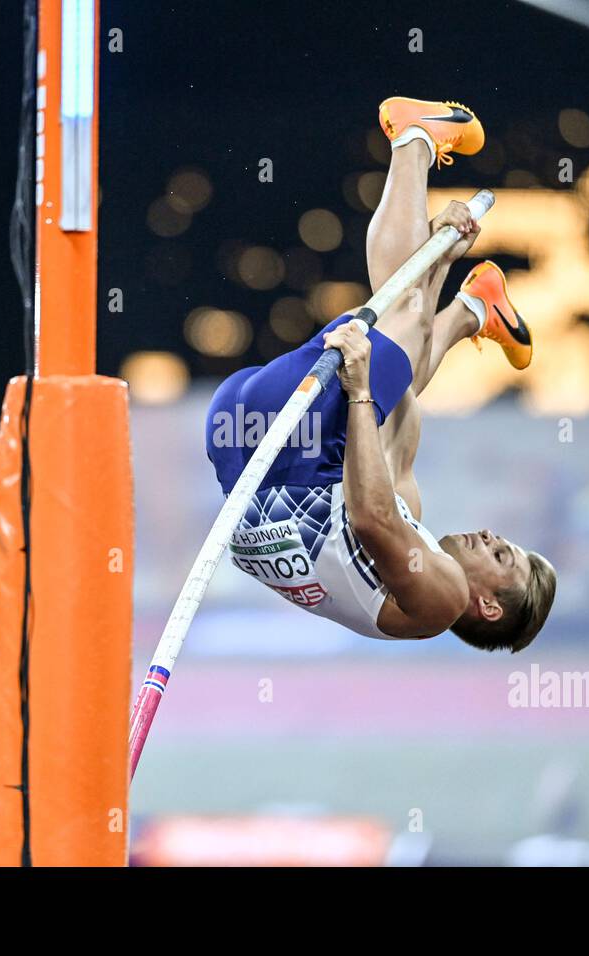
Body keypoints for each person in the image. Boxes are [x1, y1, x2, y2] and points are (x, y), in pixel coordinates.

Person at [205, 97, 556, 650]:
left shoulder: (440, 600)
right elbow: (399, 406)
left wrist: (362, 388)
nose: (490, 537)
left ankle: (415, 141)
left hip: (272, 444)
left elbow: (370, 517)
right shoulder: (409, 531)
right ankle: (473, 310)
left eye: (501, 555)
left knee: (405, 316)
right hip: (252, 438)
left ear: (487, 605)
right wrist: (438, 256)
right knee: (405, 370)